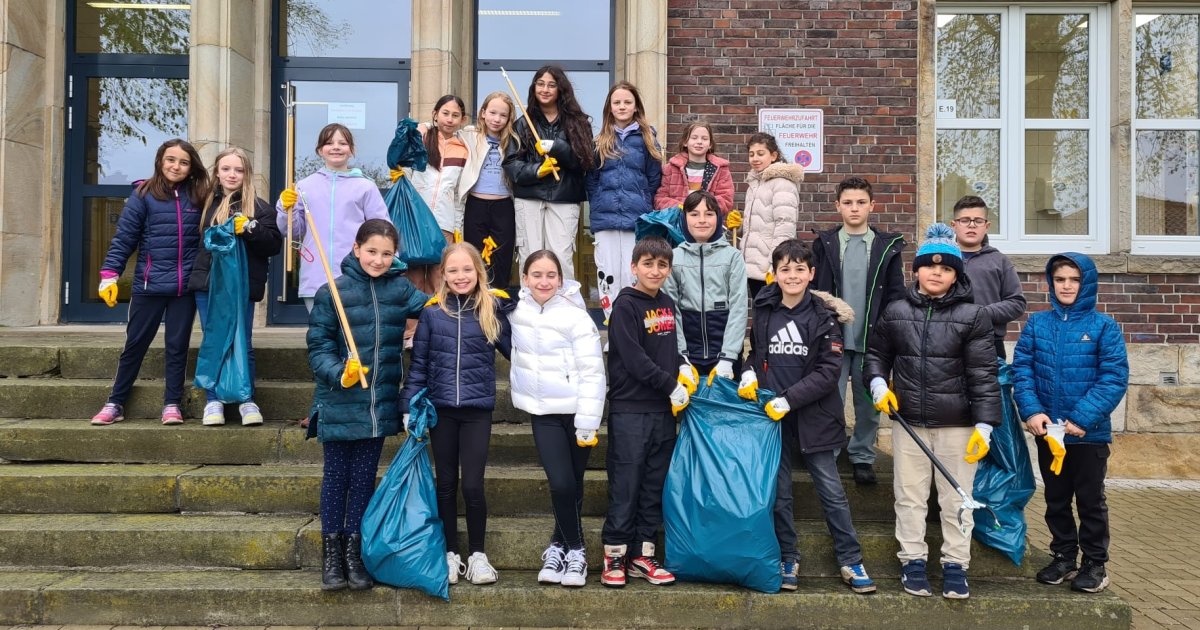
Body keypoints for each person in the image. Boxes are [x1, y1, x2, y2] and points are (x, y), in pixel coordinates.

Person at [863, 223, 1001, 600]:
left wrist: (985, 426)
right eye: (928, 266)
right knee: (909, 496)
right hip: (910, 424)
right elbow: (876, 355)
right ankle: (912, 560)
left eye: (945, 268)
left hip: (958, 426)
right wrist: (878, 384)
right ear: (917, 271)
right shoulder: (895, 311)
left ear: (956, 275)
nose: (936, 273)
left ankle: (956, 565)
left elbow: (983, 375)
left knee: (957, 499)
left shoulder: (973, 317)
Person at [738, 239, 875, 594]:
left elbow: (829, 372)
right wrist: (750, 371)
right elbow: (757, 352)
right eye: (785, 269)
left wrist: (789, 399)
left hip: (815, 417)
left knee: (831, 491)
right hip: (774, 420)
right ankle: (788, 555)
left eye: (800, 269)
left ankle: (850, 558)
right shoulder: (766, 308)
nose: (793, 275)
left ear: (811, 274)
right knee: (780, 493)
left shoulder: (825, 317)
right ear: (775, 274)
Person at [306, 219, 428, 592]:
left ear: (396, 257)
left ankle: (354, 553)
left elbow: (436, 308)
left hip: (378, 404)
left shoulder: (401, 289)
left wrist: (473, 295)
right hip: (340, 400)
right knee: (336, 479)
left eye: (386, 254)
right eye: (371, 251)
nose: (378, 260)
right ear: (357, 249)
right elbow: (318, 346)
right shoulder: (334, 291)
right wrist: (337, 372)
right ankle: (331, 554)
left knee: (362, 482)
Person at [1012, 253, 1128, 594]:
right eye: (1060, 279)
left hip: (1088, 436)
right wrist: (1032, 412)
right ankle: (1064, 556)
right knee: (1056, 499)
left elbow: (1113, 377)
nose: (1066, 285)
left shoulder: (1103, 327)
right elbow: (1023, 370)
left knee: (1090, 501)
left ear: (1086, 284)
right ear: (1052, 283)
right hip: (1049, 434)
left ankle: (1095, 564)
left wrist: (1081, 418)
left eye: (1074, 280)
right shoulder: (1037, 324)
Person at [401, 242, 513, 586]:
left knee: (474, 485)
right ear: (443, 276)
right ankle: (450, 552)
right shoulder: (433, 314)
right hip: (442, 411)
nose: (460, 276)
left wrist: (515, 309)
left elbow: (516, 351)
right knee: (446, 483)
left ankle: (478, 554)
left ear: (478, 272)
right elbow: (418, 366)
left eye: (467, 270)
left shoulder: (492, 309)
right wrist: (407, 406)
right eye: (453, 270)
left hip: (477, 411)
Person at [91, 139, 209, 427]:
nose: (176, 166)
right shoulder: (143, 195)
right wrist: (109, 274)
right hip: (149, 286)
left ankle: (172, 404)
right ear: (160, 161)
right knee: (135, 344)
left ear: (191, 166)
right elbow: (124, 239)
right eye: (170, 160)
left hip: (183, 289)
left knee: (177, 346)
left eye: (183, 162)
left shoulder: (200, 196)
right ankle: (115, 402)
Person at [600, 236, 695, 588]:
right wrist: (670, 385)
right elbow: (636, 359)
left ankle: (642, 554)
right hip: (630, 412)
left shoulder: (667, 303)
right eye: (648, 264)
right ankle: (614, 556)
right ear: (633, 267)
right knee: (625, 485)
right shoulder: (625, 306)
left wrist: (682, 366)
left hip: (662, 414)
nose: (655, 271)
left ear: (669, 269)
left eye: (662, 265)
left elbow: (667, 350)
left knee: (653, 486)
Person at [509, 250, 606, 588]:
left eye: (551, 275)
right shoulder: (515, 311)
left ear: (561, 280)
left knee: (574, 484)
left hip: (578, 412)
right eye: (536, 274)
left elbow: (594, 372)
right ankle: (577, 550)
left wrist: (589, 422)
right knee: (561, 483)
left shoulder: (576, 316)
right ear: (524, 279)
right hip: (543, 412)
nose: (544, 281)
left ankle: (557, 546)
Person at [811, 176, 906, 486]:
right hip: (833, 338)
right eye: (848, 202)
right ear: (838, 206)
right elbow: (816, 290)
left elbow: (895, 294)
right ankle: (831, 450)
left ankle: (862, 455)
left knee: (868, 402)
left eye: (861, 202)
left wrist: (891, 333)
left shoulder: (886, 247)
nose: (854, 208)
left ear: (872, 206)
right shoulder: (824, 244)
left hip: (872, 338)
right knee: (830, 398)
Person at [189, 146, 282, 427]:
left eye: (239, 170)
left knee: (243, 342)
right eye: (226, 169)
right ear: (216, 172)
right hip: (208, 285)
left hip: (242, 287)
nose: (232, 174)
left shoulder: (261, 207)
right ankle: (213, 400)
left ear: (247, 174)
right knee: (214, 339)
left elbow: (274, 244)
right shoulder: (203, 203)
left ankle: (246, 399)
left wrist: (251, 228)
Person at [277, 123, 390, 314]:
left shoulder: (365, 187)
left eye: (343, 143)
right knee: (321, 336)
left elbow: (383, 230)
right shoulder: (305, 186)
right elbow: (292, 230)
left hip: (355, 276)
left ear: (351, 150)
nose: (336, 147)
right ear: (320, 150)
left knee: (353, 336)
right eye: (329, 143)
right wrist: (284, 207)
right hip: (315, 277)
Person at [503, 65, 595, 281]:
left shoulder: (577, 123)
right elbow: (511, 165)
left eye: (551, 85)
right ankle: (531, 312)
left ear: (560, 89)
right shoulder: (522, 124)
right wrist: (537, 171)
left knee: (561, 258)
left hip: (564, 198)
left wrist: (556, 147)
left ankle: (564, 309)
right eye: (540, 84)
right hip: (529, 199)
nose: (545, 89)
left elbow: (585, 161)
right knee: (530, 257)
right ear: (534, 87)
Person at [586, 81, 663, 321]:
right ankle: (613, 325)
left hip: (636, 219)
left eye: (627, 102)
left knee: (634, 273)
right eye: (617, 102)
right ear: (609, 107)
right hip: (605, 220)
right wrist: (600, 202)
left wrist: (640, 202)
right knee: (608, 274)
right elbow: (591, 180)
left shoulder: (648, 139)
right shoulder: (599, 142)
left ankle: (634, 324)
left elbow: (653, 179)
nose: (622, 106)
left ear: (635, 107)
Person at [663, 190, 747, 379]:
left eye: (709, 214)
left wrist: (728, 357)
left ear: (718, 218)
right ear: (685, 219)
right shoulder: (674, 257)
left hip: (725, 355)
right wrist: (681, 359)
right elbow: (671, 310)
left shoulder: (733, 257)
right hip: (688, 354)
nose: (702, 220)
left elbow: (738, 309)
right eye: (694, 214)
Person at [949, 195, 1026, 361]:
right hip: (946, 340)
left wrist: (982, 314)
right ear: (954, 225)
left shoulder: (999, 261)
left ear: (987, 226)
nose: (971, 225)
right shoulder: (942, 258)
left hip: (989, 342)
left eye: (978, 220)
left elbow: (1017, 302)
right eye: (965, 220)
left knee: (989, 387)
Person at [730, 132, 803, 299]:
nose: (755, 158)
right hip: (753, 268)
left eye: (760, 154)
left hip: (768, 270)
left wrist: (776, 266)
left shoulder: (782, 184)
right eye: (751, 154)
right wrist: (739, 226)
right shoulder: (754, 185)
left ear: (773, 156)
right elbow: (759, 226)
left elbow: (784, 228)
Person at [458, 91, 520, 290]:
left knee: (501, 257)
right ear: (483, 113)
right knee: (475, 257)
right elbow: (445, 126)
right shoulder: (469, 135)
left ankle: (497, 303)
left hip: (503, 206)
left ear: (509, 118)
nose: (497, 119)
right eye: (492, 113)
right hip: (475, 205)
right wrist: (425, 125)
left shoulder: (514, 141)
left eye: (503, 115)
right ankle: (476, 300)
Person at [653, 121, 734, 213]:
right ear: (685, 142)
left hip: (708, 224)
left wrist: (702, 208)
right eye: (694, 138)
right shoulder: (670, 169)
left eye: (704, 138)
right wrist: (683, 208)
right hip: (677, 223)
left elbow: (726, 200)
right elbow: (660, 199)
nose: (699, 142)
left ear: (710, 144)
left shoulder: (721, 170)